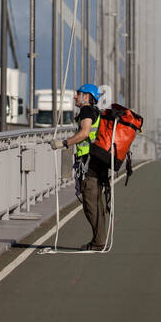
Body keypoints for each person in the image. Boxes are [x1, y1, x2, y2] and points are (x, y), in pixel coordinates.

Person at [50, 84, 110, 251]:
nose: (75, 96)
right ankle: (99, 240)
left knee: (90, 203)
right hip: (98, 162)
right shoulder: (96, 111)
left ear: (87, 96)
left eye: (78, 93)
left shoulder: (86, 111)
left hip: (90, 163)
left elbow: (84, 133)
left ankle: (99, 242)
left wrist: (63, 143)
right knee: (95, 202)